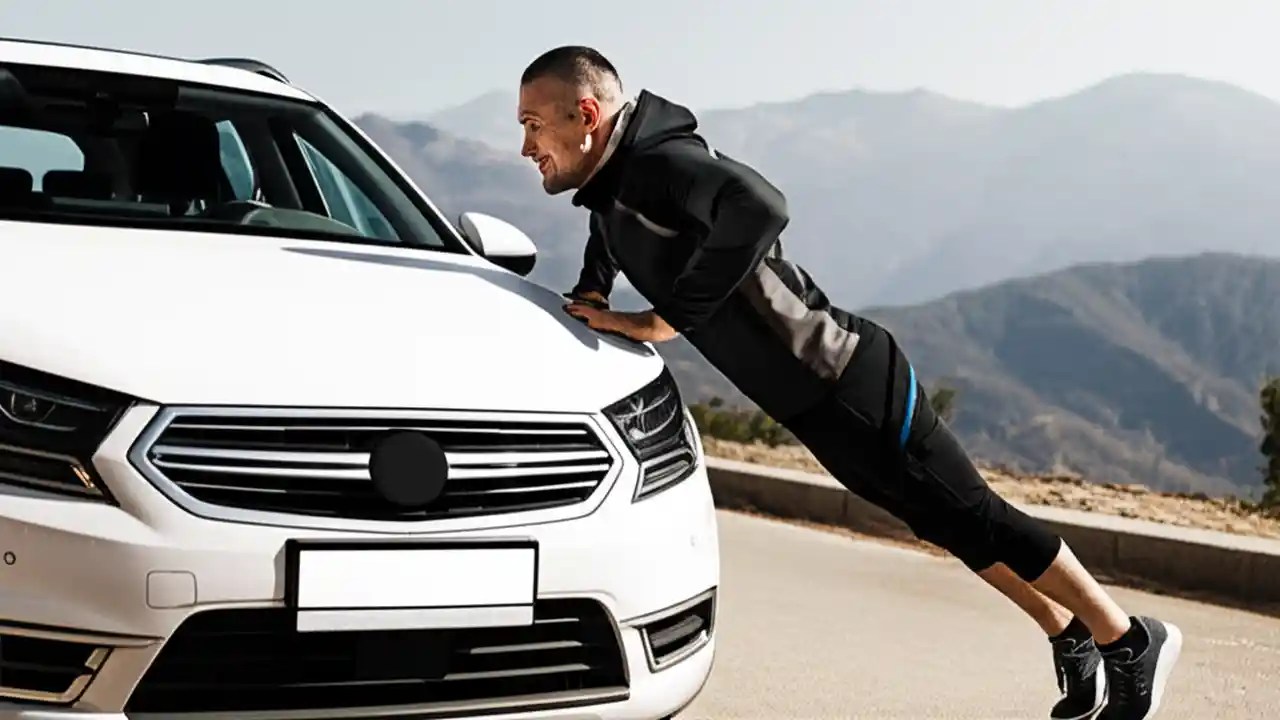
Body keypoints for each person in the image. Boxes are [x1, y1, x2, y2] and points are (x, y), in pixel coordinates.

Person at [515, 45, 1183, 720]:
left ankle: (1128, 639)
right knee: (947, 525)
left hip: (848, 376)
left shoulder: (661, 165)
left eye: (533, 124)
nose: (524, 145)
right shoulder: (615, 191)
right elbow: (618, 233)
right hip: (809, 405)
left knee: (977, 514)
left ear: (587, 116)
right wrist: (592, 289)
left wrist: (666, 319)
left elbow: (760, 205)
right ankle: (1068, 634)